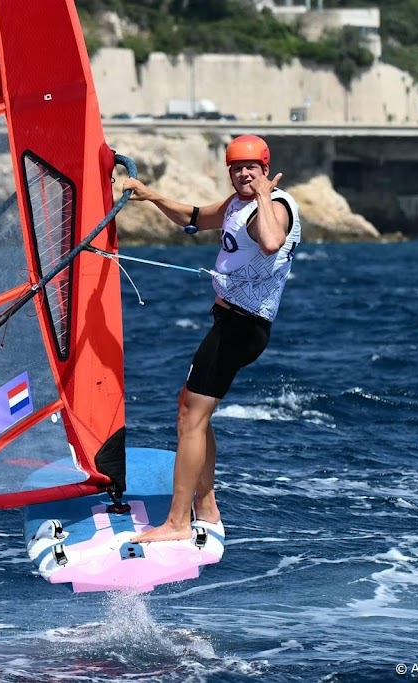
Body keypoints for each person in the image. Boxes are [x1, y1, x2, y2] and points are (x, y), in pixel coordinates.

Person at [125, 134, 301, 543]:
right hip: (226, 324)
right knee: (189, 411)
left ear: (264, 168)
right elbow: (195, 216)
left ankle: (177, 523)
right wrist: (151, 196)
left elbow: (271, 239)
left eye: (251, 168)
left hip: (243, 328)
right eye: (236, 168)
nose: (243, 174)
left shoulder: (275, 208)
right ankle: (205, 506)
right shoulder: (236, 204)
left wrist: (263, 196)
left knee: (190, 416)